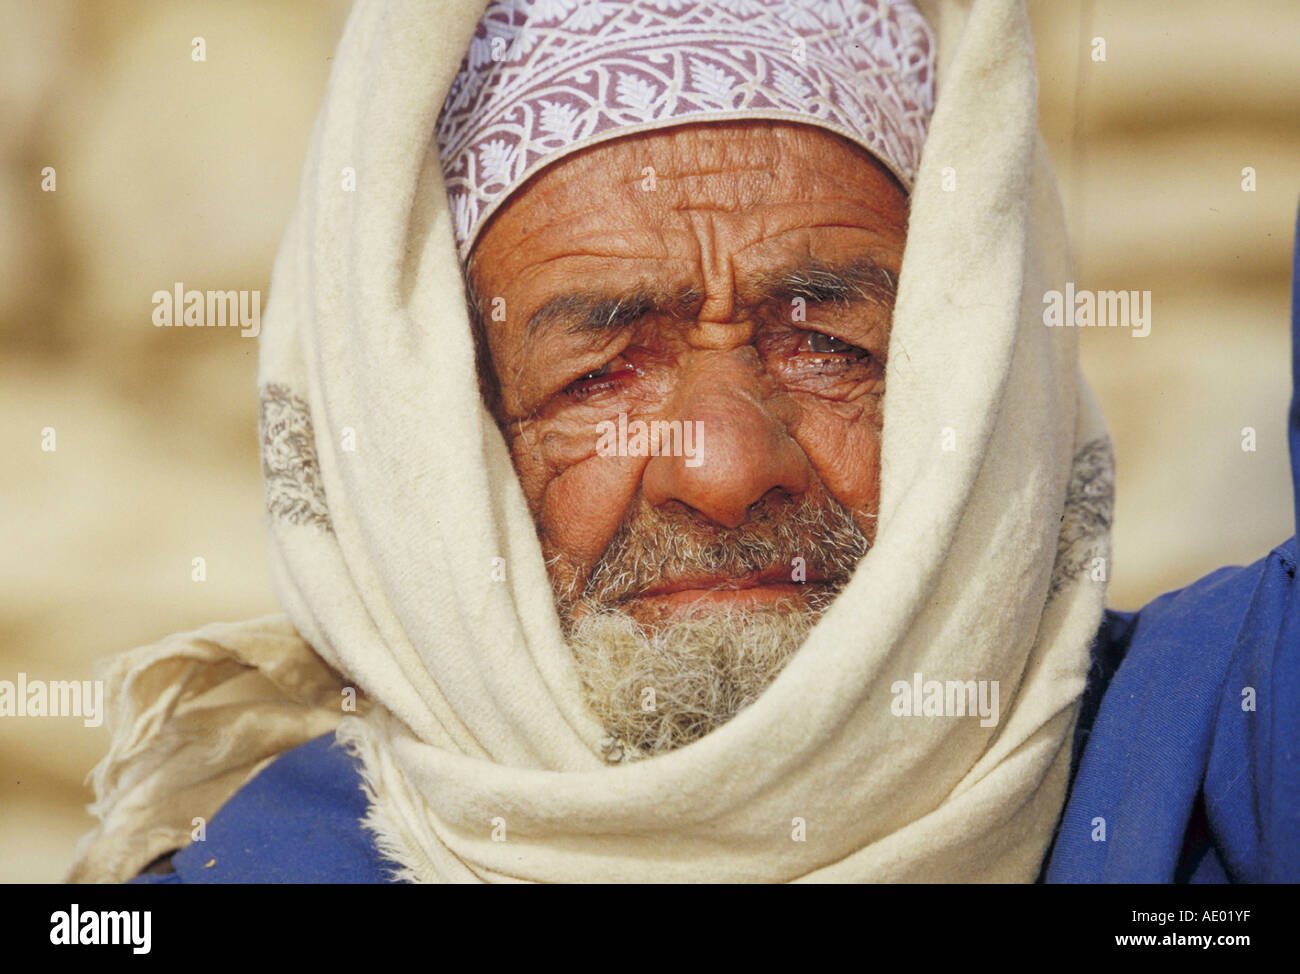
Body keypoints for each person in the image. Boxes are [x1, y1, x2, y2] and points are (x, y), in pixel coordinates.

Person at [67, 0, 1297, 885]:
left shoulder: (1208, 756)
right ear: (446, 433)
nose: (723, 465)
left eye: (828, 346)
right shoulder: (266, 868)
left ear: (971, 374)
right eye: (602, 368)